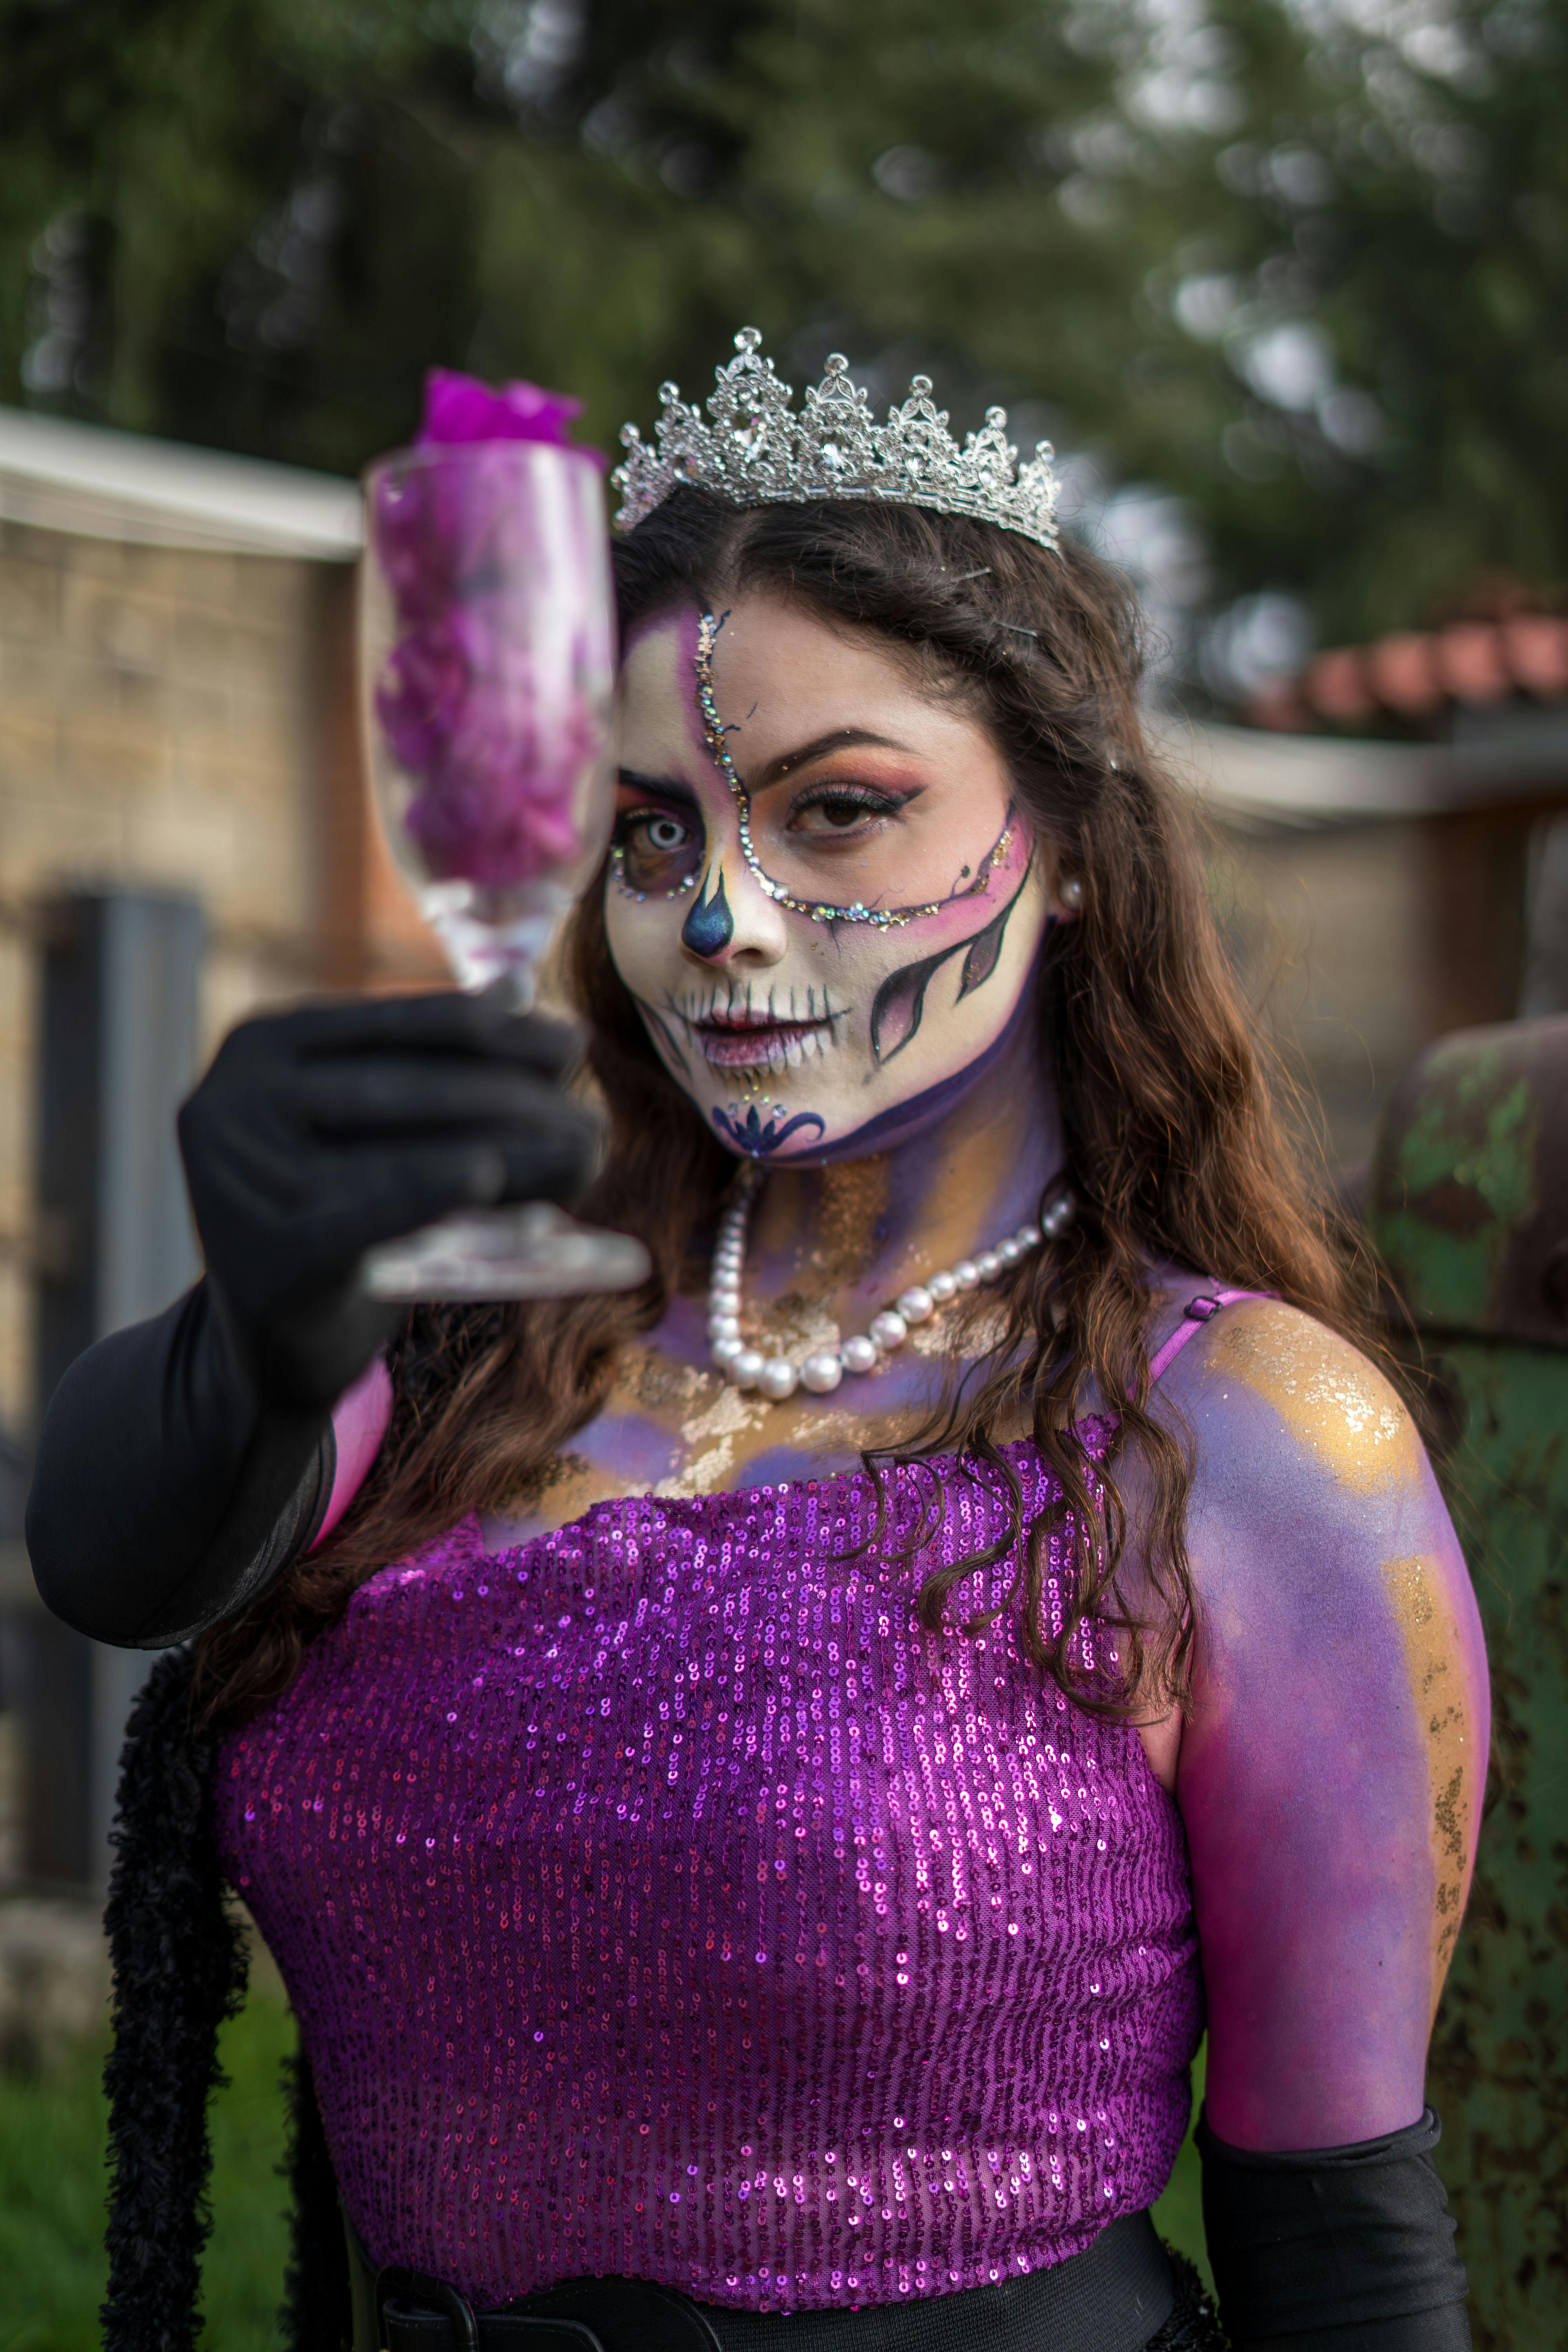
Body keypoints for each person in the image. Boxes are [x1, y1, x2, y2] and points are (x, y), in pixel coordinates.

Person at [30, 332, 1486, 2352]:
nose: (717, 915)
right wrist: (258, 1327)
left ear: (1062, 848)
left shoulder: (1244, 1434)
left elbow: (1349, 2259)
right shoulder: (476, 1347)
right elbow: (109, 1556)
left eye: (842, 814)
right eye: (652, 833)